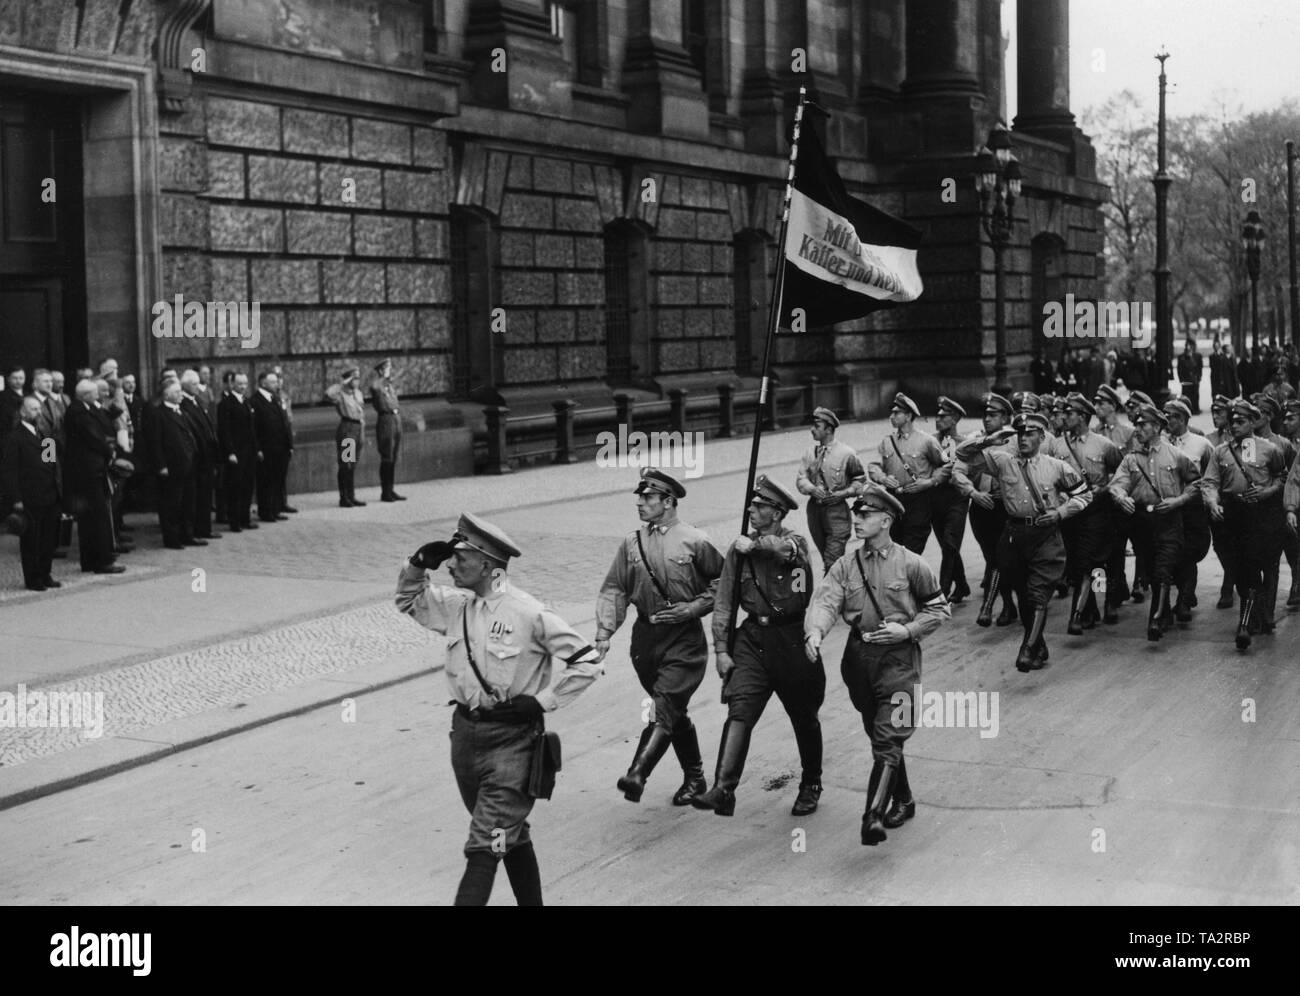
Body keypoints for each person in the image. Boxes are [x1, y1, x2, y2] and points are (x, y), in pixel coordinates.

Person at [395, 512, 603, 906]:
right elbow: (408, 599)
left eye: (460, 558)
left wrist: (541, 701)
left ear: (488, 565)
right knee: (506, 832)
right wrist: (417, 563)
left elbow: (589, 661)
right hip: (466, 738)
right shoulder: (458, 607)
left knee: (484, 843)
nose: (451, 565)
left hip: (513, 745)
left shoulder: (529, 612)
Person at [804, 487, 950, 846]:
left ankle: (872, 815)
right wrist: (815, 631)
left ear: (885, 521)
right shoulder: (845, 564)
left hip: (900, 660)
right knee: (878, 733)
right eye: (856, 514)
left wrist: (908, 629)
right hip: (859, 661)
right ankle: (904, 798)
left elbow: (939, 609)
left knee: (888, 737)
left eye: (865, 515)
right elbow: (826, 600)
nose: (856, 520)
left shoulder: (912, 563)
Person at [594, 468, 724, 806]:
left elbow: (723, 584)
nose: (640, 503)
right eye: (640, 497)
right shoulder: (631, 542)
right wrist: (604, 632)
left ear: (668, 502)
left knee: (664, 704)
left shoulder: (695, 540)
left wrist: (692, 609)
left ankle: (637, 772)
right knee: (672, 710)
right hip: (645, 640)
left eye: (648, 497)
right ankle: (695, 778)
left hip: (684, 640)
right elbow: (615, 588)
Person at [695, 475, 819, 817]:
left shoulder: (795, 542)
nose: (751, 509)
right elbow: (724, 601)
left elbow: (790, 553)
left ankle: (811, 782)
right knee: (741, 708)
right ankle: (723, 788)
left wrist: (759, 545)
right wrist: (721, 648)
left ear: (777, 513)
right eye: (752, 504)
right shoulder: (740, 550)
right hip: (752, 638)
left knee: (803, 716)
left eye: (759, 506)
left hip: (790, 638)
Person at [955, 412, 1091, 671]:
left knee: (1038, 594)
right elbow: (963, 455)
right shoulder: (1003, 461)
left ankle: (1027, 649)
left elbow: (1085, 496)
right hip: (1015, 536)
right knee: (1024, 596)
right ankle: (1038, 644)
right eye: (1020, 433)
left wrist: (1061, 512)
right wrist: (988, 440)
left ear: (1042, 437)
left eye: (1030, 433)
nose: (1023, 438)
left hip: (1046, 535)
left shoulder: (1056, 466)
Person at [1108, 404, 1201, 641]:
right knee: (1150, 567)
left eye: (1143, 425)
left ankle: (1157, 618)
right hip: (1141, 521)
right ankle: (1166, 612)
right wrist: (1122, 497)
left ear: (1157, 427)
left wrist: (1178, 501)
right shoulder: (1131, 459)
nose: (1137, 429)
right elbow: (1117, 484)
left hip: (1168, 519)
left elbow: (1196, 483)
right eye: (1136, 425)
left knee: (1163, 569)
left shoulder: (1176, 455)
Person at [1202, 399, 1289, 650]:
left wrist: (1265, 492)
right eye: (1233, 422)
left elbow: (1281, 477)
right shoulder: (1221, 451)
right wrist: (1213, 503)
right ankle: (1254, 610)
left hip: (1259, 515)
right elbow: (1209, 482)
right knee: (1237, 566)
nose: (1235, 426)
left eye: (1241, 421)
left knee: (1251, 565)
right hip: (1232, 513)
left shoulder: (1270, 449)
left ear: (1253, 422)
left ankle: (1245, 624)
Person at [1045, 394, 1121, 634]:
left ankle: (1079, 614)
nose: (1064, 417)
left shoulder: (1103, 445)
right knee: (1076, 562)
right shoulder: (1057, 445)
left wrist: (1105, 488)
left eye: (1069, 414)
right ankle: (1091, 609)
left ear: (1083, 417)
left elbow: (1120, 475)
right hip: (1069, 511)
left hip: (1095, 510)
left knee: (1091, 561)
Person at [952, 392, 1018, 627]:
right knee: (992, 557)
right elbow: (958, 469)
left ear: (1006, 417)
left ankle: (988, 606)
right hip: (980, 506)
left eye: (993, 415)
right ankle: (1009, 607)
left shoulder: (1016, 440)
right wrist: (973, 493)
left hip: (1007, 508)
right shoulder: (975, 440)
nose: (987, 419)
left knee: (999, 559)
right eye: (985, 415)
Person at [867, 393, 945, 555]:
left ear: (908, 416)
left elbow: (945, 466)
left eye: (896, 413)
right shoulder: (887, 441)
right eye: (892, 413)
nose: (891, 417)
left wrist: (930, 482)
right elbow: (873, 467)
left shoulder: (926, 441)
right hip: (892, 501)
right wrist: (883, 478)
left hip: (918, 501)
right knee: (892, 546)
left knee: (912, 550)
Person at [1, 397, 62, 590]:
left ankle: (45, 573)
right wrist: (16, 498)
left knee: (48, 539)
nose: (38, 413)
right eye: (34, 409)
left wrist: (58, 489)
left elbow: (52, 464)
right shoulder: (15, 437)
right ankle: (33, 578)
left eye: (39, 409)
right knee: (31, 540)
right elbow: (9, 471)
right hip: (30, 496)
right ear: (24, 412)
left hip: (50, 494)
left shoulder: (45, 434)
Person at [1162, 398, 1215, 621]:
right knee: (1169, 555)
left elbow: (1210, 477)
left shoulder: (1201, 444)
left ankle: (1184, 600)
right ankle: (1185, 595)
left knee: (1189, 553)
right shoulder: (1161, 443)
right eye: (1165, 416)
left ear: (1182, 419)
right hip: (1167, 507)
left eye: (1171, 416)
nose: (1167, 420)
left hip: (1191, 508)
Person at [794, 406, 865, 573]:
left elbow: (860, 480)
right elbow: (800, 479)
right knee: (827, 556)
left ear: (828, 429)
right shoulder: (809, 453)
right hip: (815, 512)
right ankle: (840, 588)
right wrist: (811, 489)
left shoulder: (847, 453)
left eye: (817, 426)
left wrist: (843, 493)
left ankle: (832, 594)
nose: (812, 430)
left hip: (837, 512)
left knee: (832, 560)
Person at [64, 379, 123, 574]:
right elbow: (93, 436)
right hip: (87, 471)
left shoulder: (86, 409)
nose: (98, 395)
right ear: (85, 395)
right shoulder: (78, 412)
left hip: (89, 470)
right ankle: (101, 561)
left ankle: (91, 560)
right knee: (97, 516)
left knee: (90, 518)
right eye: (95, 392)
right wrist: (109, 451)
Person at [151, 379, 201, 550]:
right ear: (166, 394)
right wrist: (161, 465)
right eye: (176, 392)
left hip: (188, 464)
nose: (180, 395)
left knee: (189, 502)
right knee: (172, 504)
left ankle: (187, 534)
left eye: (180, 391)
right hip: (172, 466)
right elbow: (155, 442)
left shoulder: (182, 412)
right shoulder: (159, 414)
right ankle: (172, 538)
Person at [930, 396, 971, 602]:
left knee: (950, 544)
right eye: (937, 415)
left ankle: (943, 591)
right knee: (948, 545)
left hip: (957, 499)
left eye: (943, 416)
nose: (938, 419)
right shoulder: (930, 441)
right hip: (935, 499)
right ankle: (962, 584)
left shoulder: (964, 444)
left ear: (955, 419)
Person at [180, 370, 222, 541]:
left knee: (205, 496)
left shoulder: (195, 401)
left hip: (206, 457)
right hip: (197, 459)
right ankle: (197, 530)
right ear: (187, 385)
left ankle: (204, 528)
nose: (198, 387)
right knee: (197, 498)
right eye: (195, 384)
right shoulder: (184, 403)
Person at [217, 373, 260, 533]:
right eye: (239, 384)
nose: (243, 387)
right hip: (236, 452)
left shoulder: (247, 402)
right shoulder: (226, 403)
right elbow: (224, 430)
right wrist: (230, 452)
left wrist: (256, 449)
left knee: (247, 486)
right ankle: (234, 522)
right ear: (232, 384)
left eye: (245, 384)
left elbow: (252, 428)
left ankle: (245, 518)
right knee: (235, 487)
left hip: (249, 451)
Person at [251, 371, 293, 522]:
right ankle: (266, 511)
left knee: (277, 480)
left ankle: (275, 509)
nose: (278, 384)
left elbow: (285, 422)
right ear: (263, 383)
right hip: (267, 449)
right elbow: (254, 428)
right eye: (274, 381)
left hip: (281, 447)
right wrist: (258, 449)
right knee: (266, 481)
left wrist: (289, 445)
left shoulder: (275, 398)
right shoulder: (255, 401)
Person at [326, 365, 368, 508]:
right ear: (348, 379)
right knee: (346, 464)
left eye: (358, 377)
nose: (357, 381)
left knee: (353, 464)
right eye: (354, 378)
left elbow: (361, 411)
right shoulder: (340, 394)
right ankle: (344, 498)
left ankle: (351, 496)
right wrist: (342, 383)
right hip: (347, 429)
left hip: (358, 428)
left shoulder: (358, 393)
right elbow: (328, 394)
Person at [371, 359, 405, 502]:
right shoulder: (377, 386)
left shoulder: (388, 385)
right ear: (380, 370)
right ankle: (385, 492)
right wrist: (381, 376)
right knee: (387, 456)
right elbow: (374, 386)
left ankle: (390, 489)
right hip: (385, 421)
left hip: (395, 418)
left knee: (394, 457)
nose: (389, 370)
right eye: (386, 368)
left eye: (389, 368)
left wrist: (388, 379)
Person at [1176, 339, 1203, 413]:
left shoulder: (1197, 356)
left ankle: (1195, 409)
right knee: (1186, 396)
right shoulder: (1181, 357)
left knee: (1195, 395)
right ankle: (1187, 410)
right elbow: (1179, 370)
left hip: (1194, 379)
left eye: (1189, 345)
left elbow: (1200, 368)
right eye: (1186, 345)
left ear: (1193, 347)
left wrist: (1199, 378)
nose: (1188, 347)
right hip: (1186, 380)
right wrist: (1181, 380)